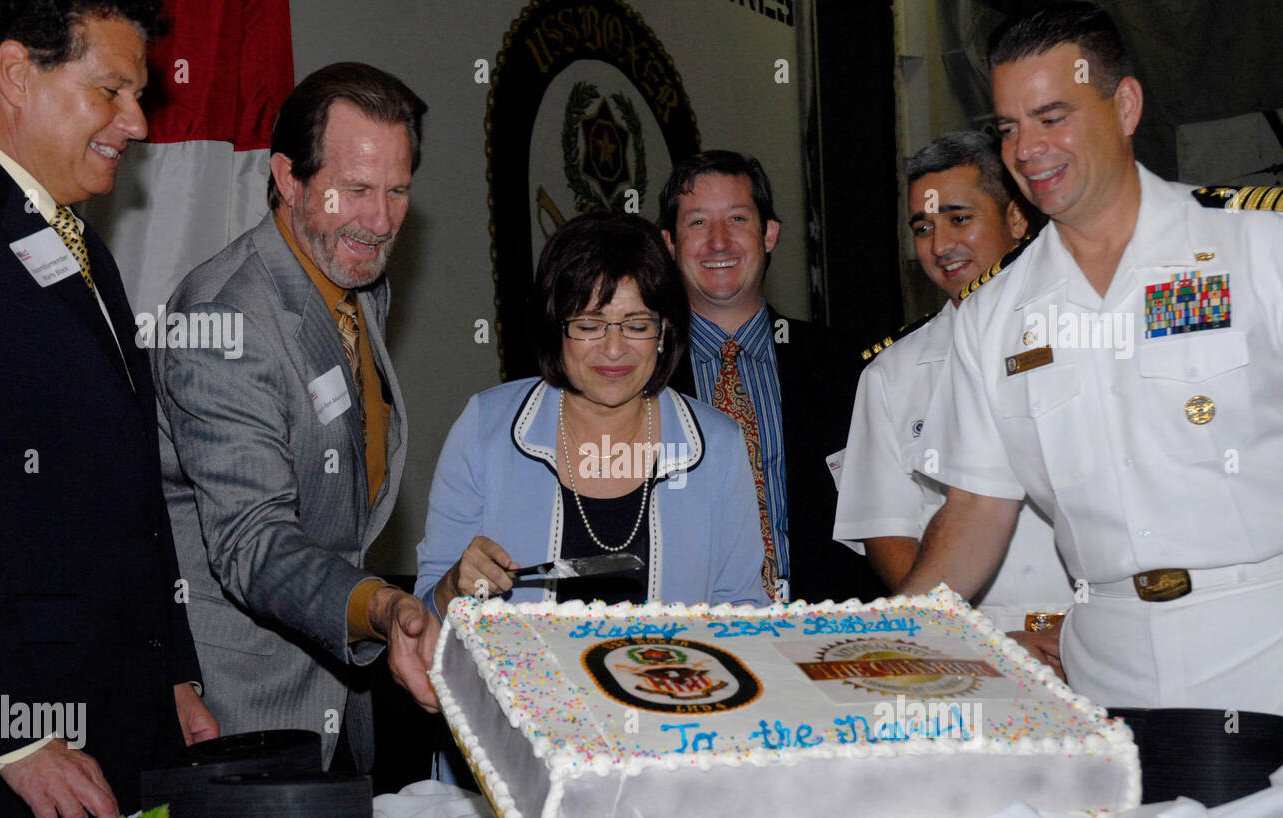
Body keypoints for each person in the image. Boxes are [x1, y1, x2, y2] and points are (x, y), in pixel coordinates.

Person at [899, 2, 1283, 716]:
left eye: (1053, 117)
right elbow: (978, 509)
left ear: (1126, 105)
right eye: (1009, 128)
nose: (1027, 150)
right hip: (1105, 676)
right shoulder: (993, 314)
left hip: (1265, 646)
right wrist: (885, 641)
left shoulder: (1256, 247)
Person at [0, 0, 215, 818]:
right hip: (22, 761)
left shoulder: (79, 247)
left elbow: (128, 493)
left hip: (118, 728)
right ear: (14, 75)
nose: (139, 123)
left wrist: (175, 671)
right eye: (110, 90)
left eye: (142, 93)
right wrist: (6, 735)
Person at [152, 63, 439, 774]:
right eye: (357, 190)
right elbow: (252, 541)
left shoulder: (357, 284)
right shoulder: (224, 315)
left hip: (342, 707)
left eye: (398, 191)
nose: (379, 221)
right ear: (287, 178)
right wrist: (377, 606)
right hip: (241, 718)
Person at [416, 211, 765, 616]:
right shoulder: (486, 428)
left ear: (665, 332)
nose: (614, 350)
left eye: (636, 326)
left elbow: (741, 612)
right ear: (554, 326)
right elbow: (425, 615)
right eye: (589, 325)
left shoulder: (716, 445)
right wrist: (453, 588)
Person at [835, 131, 1074, 646]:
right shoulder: (891, 372)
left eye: (959, 218)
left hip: (1099, 636)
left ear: (1015, 217)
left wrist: (1086, 629)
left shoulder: (1086, 335)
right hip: (970, 643)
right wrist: (968, 638)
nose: (941, 245)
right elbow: (885, 529)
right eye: (923, 227)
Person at [657, 151, 882, 605]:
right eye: (698, 223)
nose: (719, 242)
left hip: (828, 634)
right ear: (669, 243)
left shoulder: (849, 367)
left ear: (769, 234)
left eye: (737, 218)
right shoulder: (638, 375)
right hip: (687, 639)